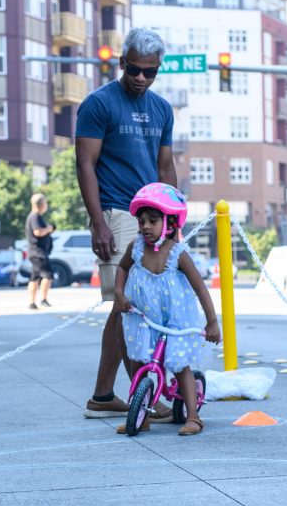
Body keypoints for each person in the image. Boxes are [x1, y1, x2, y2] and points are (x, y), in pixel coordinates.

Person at [75, 27, 177, 421]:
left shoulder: (163, 109)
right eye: (134, 69)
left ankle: (103, 396)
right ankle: (144, 397)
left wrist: (174, 221)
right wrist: (97, 222)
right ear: (122, 63)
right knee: (127, 306)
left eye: (149, 72)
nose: (140, 78)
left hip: (153, 219)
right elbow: (85, 164)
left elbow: (165, 167)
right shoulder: (98, 104)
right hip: (117, 214)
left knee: (130, 310)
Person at [114, 183, 220, 435]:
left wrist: (212, 321)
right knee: (138, 361)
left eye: (152, 221)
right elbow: (122, 268)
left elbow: (200, 288)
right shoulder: (136, 248)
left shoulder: (178, 254)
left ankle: (193, 417)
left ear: (170, 222)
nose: (145, 227)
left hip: (175, 321)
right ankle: (142, 415)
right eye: (141, 222)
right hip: (144, 318)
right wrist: (119, 294)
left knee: (179, 364)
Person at [25, 193, 55, 309]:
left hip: (35, 252)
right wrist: (49, 228)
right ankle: (43, 299)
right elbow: (37, 232)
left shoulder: (34, 216)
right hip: (39, 253)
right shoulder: (35, 216)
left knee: (35, 277)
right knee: (48, 275)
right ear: (42, 204)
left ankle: (31, 302)